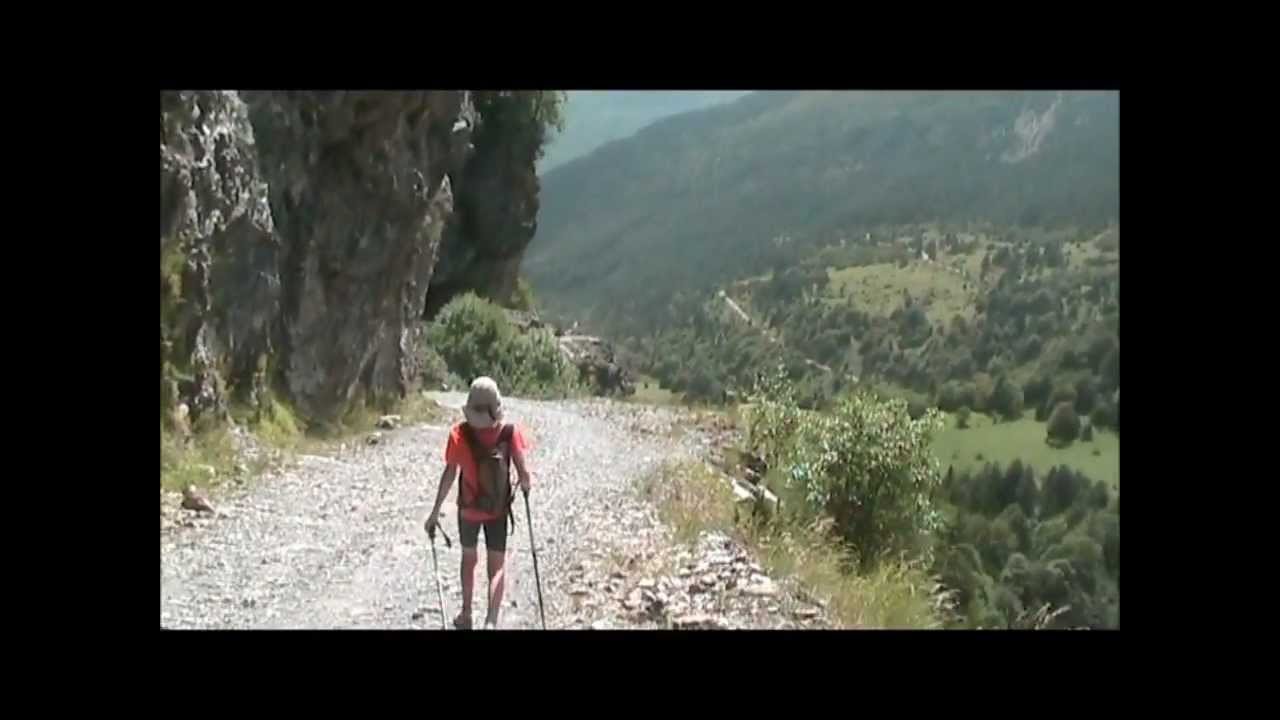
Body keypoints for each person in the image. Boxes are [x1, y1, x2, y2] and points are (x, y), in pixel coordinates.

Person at [424, 377, 531, 630]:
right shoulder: (509, 433)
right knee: (497, 565)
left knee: (468, 559)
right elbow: (524, 475)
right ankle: (491, 620)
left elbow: (449, 474)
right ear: (496, 407)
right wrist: (524, 486)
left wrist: (435, 512)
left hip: (469, 510)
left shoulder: (459, 434)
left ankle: (466, 613)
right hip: (497, 511)